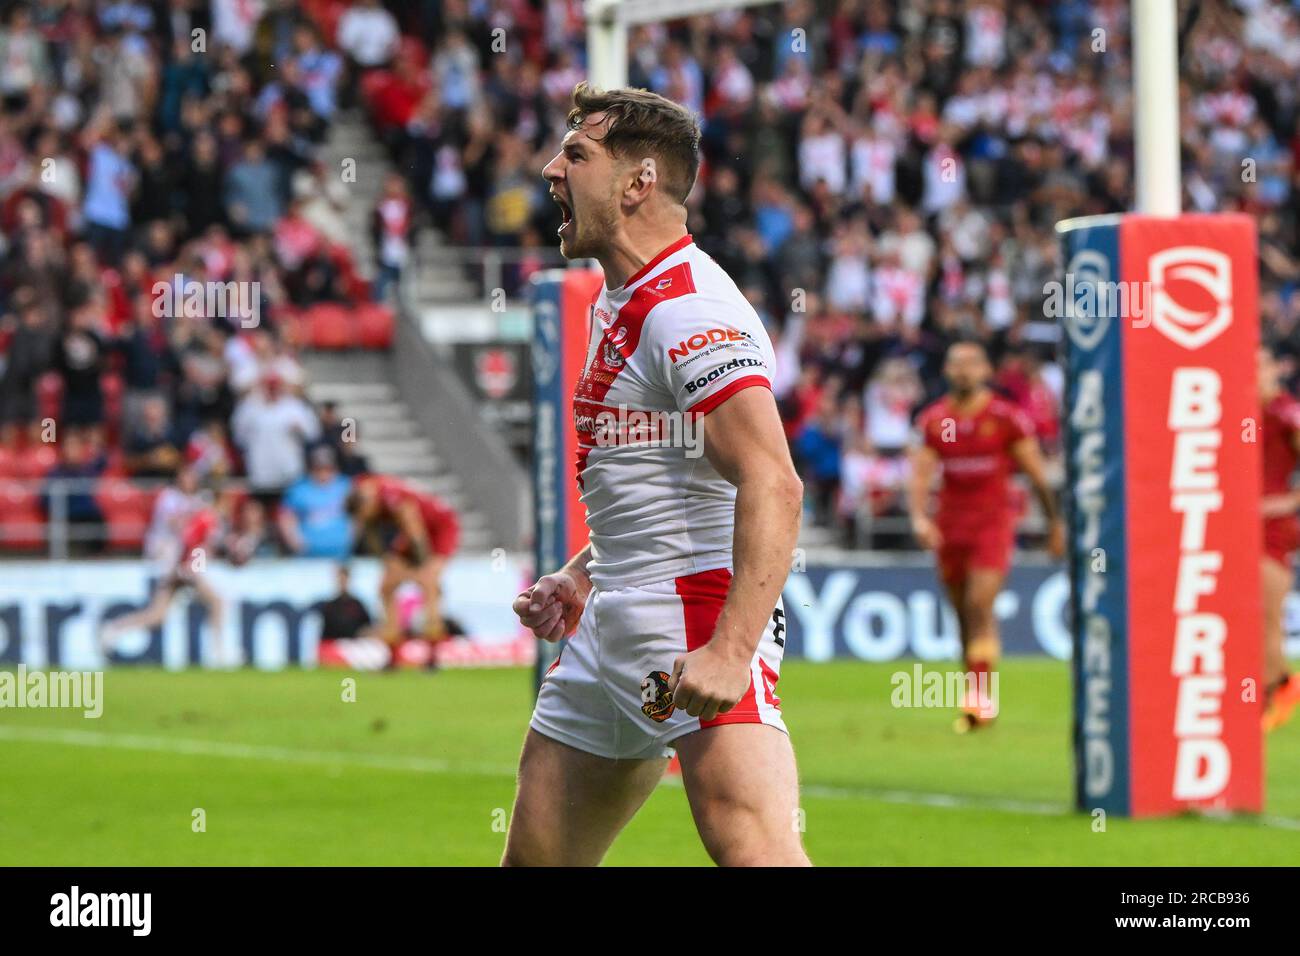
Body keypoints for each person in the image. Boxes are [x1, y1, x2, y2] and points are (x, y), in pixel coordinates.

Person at [505, 85, 807, 867]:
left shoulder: (690, 309)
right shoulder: (625, 298)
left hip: (693, 616)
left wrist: (732, 651)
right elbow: (662, 470)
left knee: (757, 853)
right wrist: (580, 574)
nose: (550, 170)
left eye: (576, 155)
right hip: (613, 619)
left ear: (639, 181)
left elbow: (772, 480)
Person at [907, 339, 1064, 733]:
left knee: (980, 604)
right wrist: (918, 518)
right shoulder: (934, 420)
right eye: (956, 364)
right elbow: (921, 475)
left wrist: (1054, 523)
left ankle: (979, 700)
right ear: (946, 371)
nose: (963, 371)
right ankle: (976, 700)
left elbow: (1037, 476)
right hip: (950, 528)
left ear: (986, 372)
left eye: (971, 364)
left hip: (992, 526)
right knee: (963, 617)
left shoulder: (1006, 417)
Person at [100, 466, 228, 664]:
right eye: (186, 475)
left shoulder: (196, 502)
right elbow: (176, 526)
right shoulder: (169, 498)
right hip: (168, 561)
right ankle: (218, 653)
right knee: (215, 601)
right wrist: (199, 513)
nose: (190, 480)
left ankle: (115, 629)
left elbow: (203, 538)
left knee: (158, 615)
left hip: (183, 562)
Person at [347, 473, 459, 645]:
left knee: (429, 585)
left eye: (363, 515)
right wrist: (388, 561)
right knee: (386, 587)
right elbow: (374, 535)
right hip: (410, 534)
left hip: (439, 529)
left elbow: (416, 531)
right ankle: (393, 639)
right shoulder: (366, 491)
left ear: (366, 505)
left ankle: (432, 647)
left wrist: (423, 566)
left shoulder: (392, 497)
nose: (363, 521)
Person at [1256, 347, 1300, 731]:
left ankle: (1276, 689)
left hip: (1272, 530)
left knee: (1267, 615)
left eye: (1258, 365)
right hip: (1239, 526)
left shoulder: (1286, 412)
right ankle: (1277, 684)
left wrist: (1287, 500)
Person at [278, 445, 353, 558]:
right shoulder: (299, 489)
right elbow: (286, 517)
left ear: (335, 468)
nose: (323, 473)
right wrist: (296, 543)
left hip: (341, 555)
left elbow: (358, 514)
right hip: (308, 557)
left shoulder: (346, 486)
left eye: (328, 468)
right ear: (311, 469)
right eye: (318, 469)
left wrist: (349, 539)